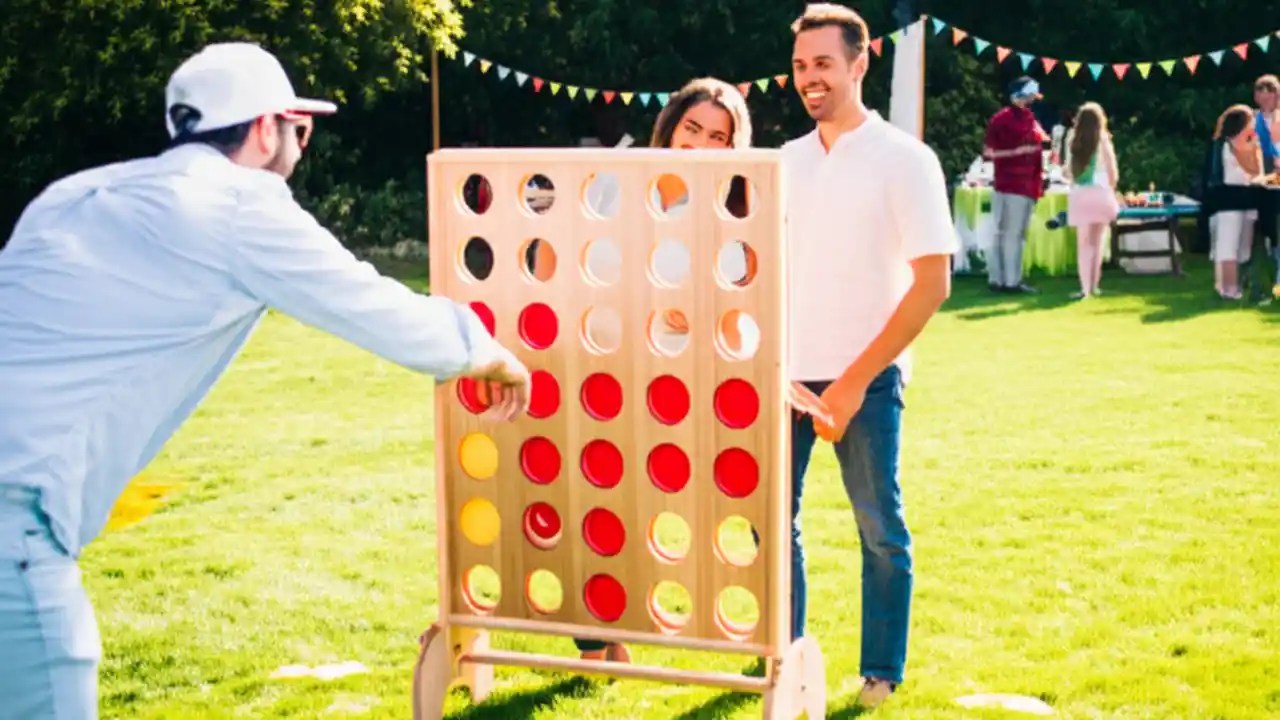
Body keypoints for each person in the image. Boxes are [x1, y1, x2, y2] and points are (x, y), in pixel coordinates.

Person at [0, 42, 531, 719]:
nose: (300, 149)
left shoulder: (71, 195)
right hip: (16, 512)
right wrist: (492, 355)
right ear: (262, 129)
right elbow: (377, 307)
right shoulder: (239, 205)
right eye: (298, 129)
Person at [563, 76, 781, 664]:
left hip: (670, 386)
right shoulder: (611, 179)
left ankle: (768, 640)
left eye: (719, 136)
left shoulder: (728, 212)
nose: (702, 145)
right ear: (671, 125)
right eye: (693, 129)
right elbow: (556, 251)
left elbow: (736, 314)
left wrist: (704, 316)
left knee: (657, 509)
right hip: (598, 369)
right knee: (598, 505)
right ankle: (596, 639)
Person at [784, 3, 956, 709]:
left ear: (859, 64)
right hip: (785, 376)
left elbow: (933, 283)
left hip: (869, 379)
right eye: (799, 66)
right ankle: (783, 665)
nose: (809, 79)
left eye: (823, 63)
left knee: (879, 528)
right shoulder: (784, 161)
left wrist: (855, 382)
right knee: (772, 526)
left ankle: (880, 676)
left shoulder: (907, 160)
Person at [983, 76, 1050, 294]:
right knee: (1012, 233)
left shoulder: (1028, 118)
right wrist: (1016, 153)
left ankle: (1000, 278)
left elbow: (1041, 142)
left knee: (1005, 232)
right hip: (1014, 183)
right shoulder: (1002, 119)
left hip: (1021, 182)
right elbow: (988, 153)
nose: (1032, 100)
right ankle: (1009, 281)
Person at [1062, 102, 1120, 298]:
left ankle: (1084, 288)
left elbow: (1069, 172)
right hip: (1102, 193)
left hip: (1081, 194)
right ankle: (1095, 285)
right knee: (1098, 241)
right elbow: (1113, 172)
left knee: (1084, 243)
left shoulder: (1073, 139)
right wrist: (1112, 190)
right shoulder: (1103, 140)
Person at [1208, 105, 1265, 300]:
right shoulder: (1229, 144)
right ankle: (1228, 288)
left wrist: (1255, 147)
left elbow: (1258, 170)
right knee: (1228, 244)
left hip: (1246, 197)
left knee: (1243, 248)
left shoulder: (1250, 143)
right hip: (1228, 199)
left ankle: (1231, 284)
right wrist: (1253, 148)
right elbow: (1250, 167)